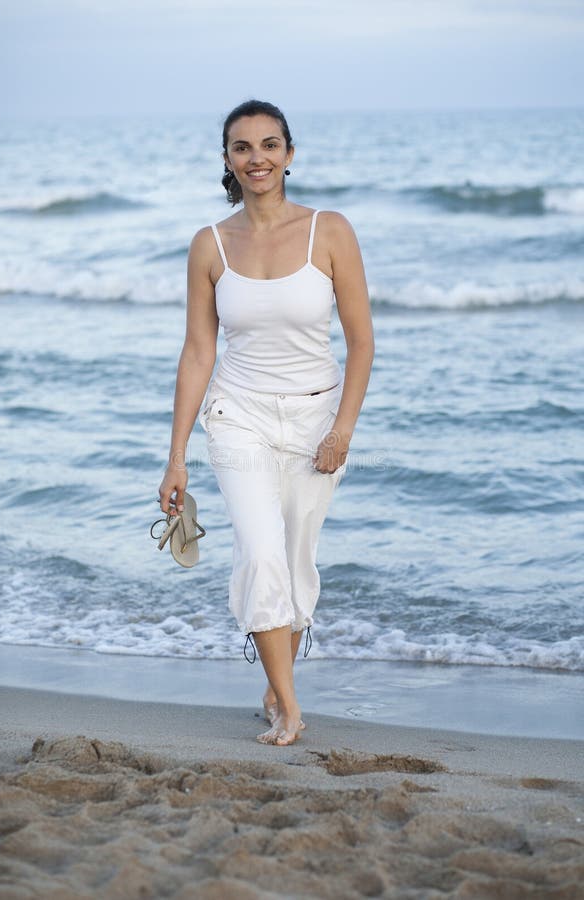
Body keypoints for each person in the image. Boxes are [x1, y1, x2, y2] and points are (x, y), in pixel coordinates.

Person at [158, 99, 374, 746]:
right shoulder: (210, 245)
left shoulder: (329, 231)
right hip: (238, 416)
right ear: (227, 159)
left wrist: (342, 430)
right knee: (259, 555)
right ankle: (289, 706)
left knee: (297, 564)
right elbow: (199, 351)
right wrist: (175, 457)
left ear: (290, 154)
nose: (258, 158)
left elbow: (362, 342)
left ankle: (274, 683)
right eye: (243, 147)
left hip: (316, 419)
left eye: (270, 145)